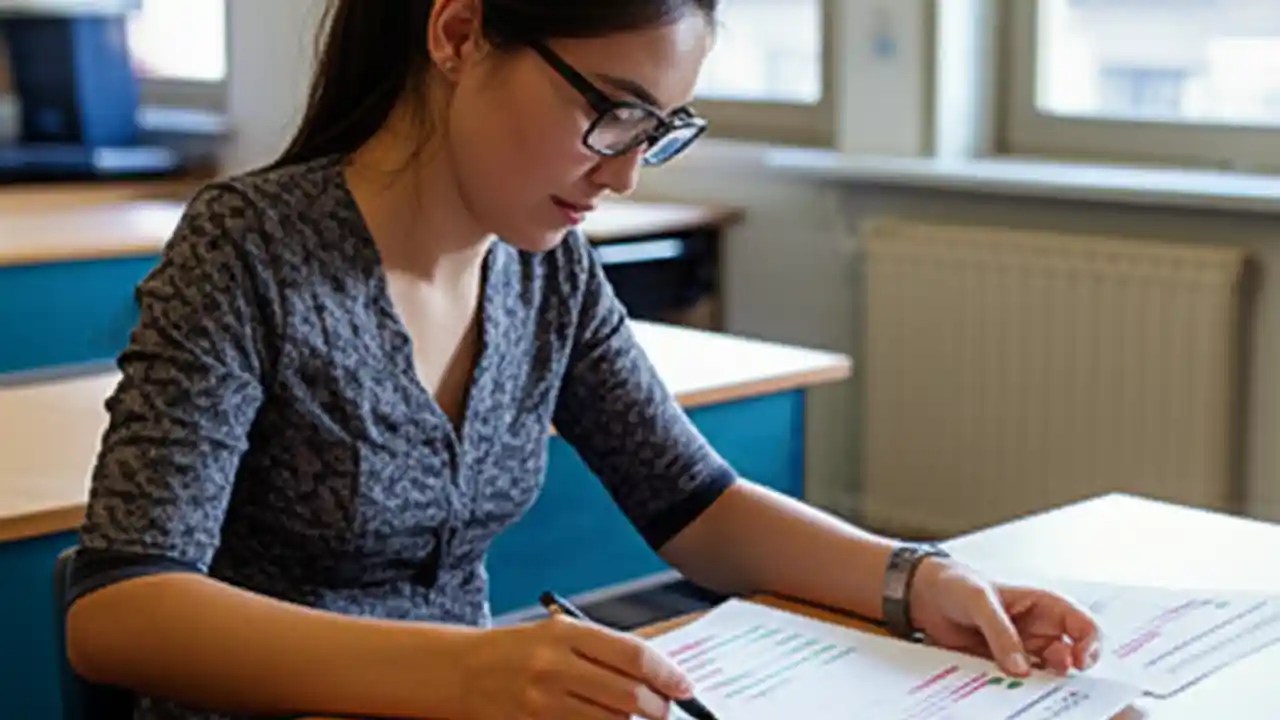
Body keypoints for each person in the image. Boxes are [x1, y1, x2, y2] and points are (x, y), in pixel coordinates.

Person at [64, 1, 1104, 719]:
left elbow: (691, 501)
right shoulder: (249, 248)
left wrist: (914, 579)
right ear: (459, 29)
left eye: (656, 131)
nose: (622, 175)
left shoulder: (543, 268)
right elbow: (120, 609)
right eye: (609, 113)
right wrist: (470, 674)